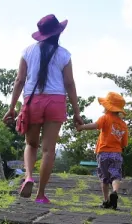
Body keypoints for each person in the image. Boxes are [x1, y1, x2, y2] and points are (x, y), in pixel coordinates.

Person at [4, 14, 82, 205]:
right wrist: (77, 113)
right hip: (55, 102)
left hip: (33, 101)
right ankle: (40, 194)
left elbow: (19, 80)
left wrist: (12, 107)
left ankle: (29, 176)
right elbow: (69, 83)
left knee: (31, 145)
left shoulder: (27, 52)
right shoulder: (64, 54)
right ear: (57, 33)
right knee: (48, 150)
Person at [74, 91, 129, 210]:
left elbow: (95, 125)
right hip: (117, 153)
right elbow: (124, 143)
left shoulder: (105, 118)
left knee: (104, 178)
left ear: (107, 106)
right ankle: (114, 191)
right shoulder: (123, 125)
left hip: (103, 153)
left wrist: (81, 127)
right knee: (115, 175)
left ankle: (106, 200)